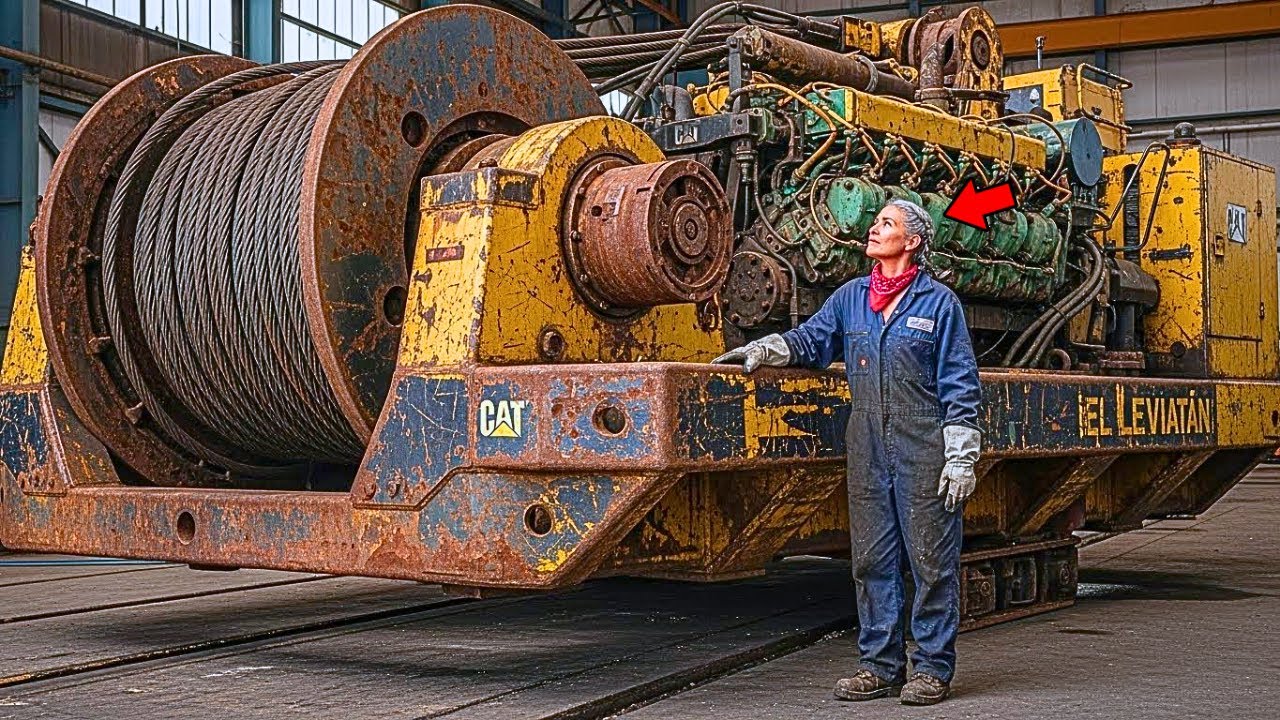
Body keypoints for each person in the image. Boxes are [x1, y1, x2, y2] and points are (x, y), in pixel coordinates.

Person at [713, 199, 982, 706]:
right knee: (873, 561)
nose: (875, 228)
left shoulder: (939, 303)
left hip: (923, 443)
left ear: (914, 241)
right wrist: (765, 349)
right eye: (876, 220)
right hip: (867, 447)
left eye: (887, 224)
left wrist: (961, 453)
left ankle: (930, 669)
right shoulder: (853, 298)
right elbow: (813, 340)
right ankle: (879, 665)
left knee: (930, 562)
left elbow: (959, 381)